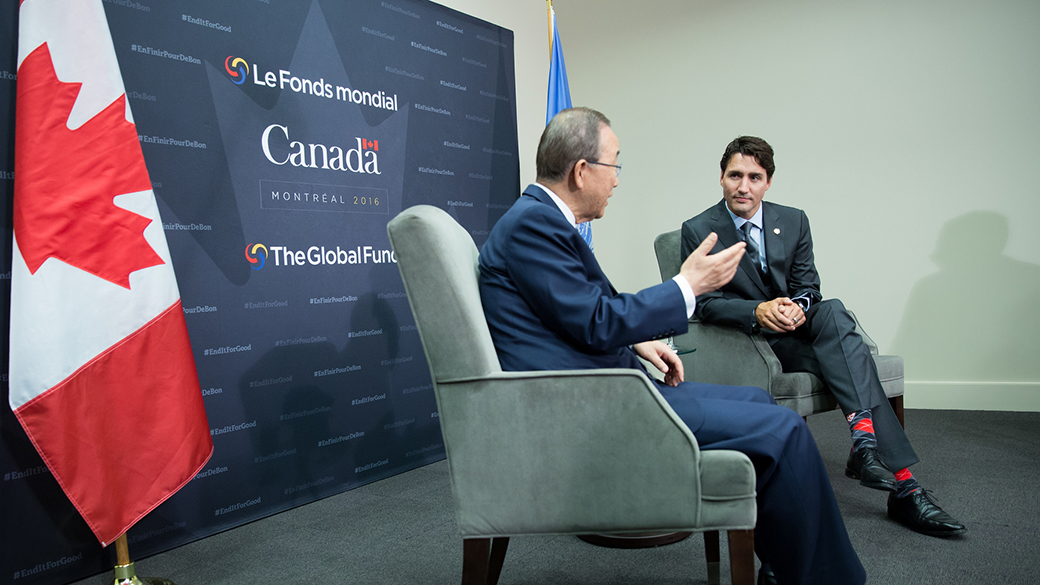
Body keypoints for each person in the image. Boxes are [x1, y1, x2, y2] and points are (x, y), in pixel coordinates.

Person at [479, 107, 865, 585]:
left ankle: (782, 567)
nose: (616, 180)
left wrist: (639, 341)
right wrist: (687, 285)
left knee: (760, 401)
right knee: (784, 428)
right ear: (581, 171)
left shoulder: (537, 220)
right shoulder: (534, 226)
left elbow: (577, 313)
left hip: (605, 388)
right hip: (595, 407)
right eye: (614, 164)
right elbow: (597, 321)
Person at [680, 136, 965, 538]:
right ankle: (904, 486)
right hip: (758, 345)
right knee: (853, 361)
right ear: (722, 178)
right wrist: (757, 311)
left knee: (831, 308)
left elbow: (808, 286)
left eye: (754, 177)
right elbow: (704, 304)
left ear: (768, 181)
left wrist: (798, 306)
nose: (743, 186)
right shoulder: (698, 229)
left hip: (802, 328)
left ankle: (865, 445)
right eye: (735, 176)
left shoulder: (794, 219)